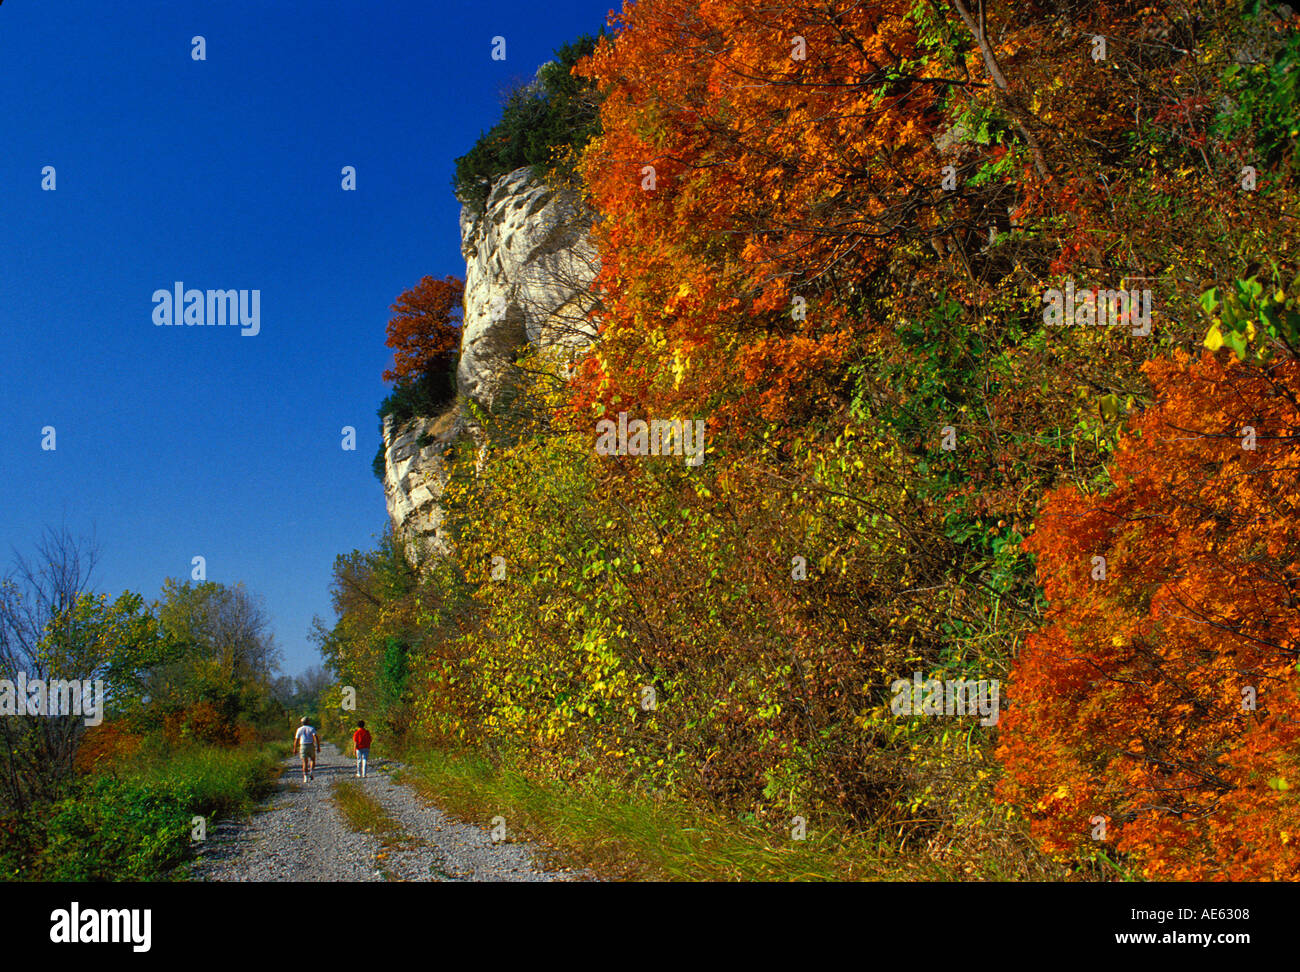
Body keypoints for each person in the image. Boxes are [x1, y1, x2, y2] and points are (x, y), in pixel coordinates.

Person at [293, 716, 319, 782]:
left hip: (303, 746)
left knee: (304, 762)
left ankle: (305, 777)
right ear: (308, 722)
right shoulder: (311, 728)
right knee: (312, 759)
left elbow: (296, 740)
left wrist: (295, 748)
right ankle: (311, 772)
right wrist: (318, 746)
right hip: (310, 745)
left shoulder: (299, 729)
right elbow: (315, 737)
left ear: (302, 722)